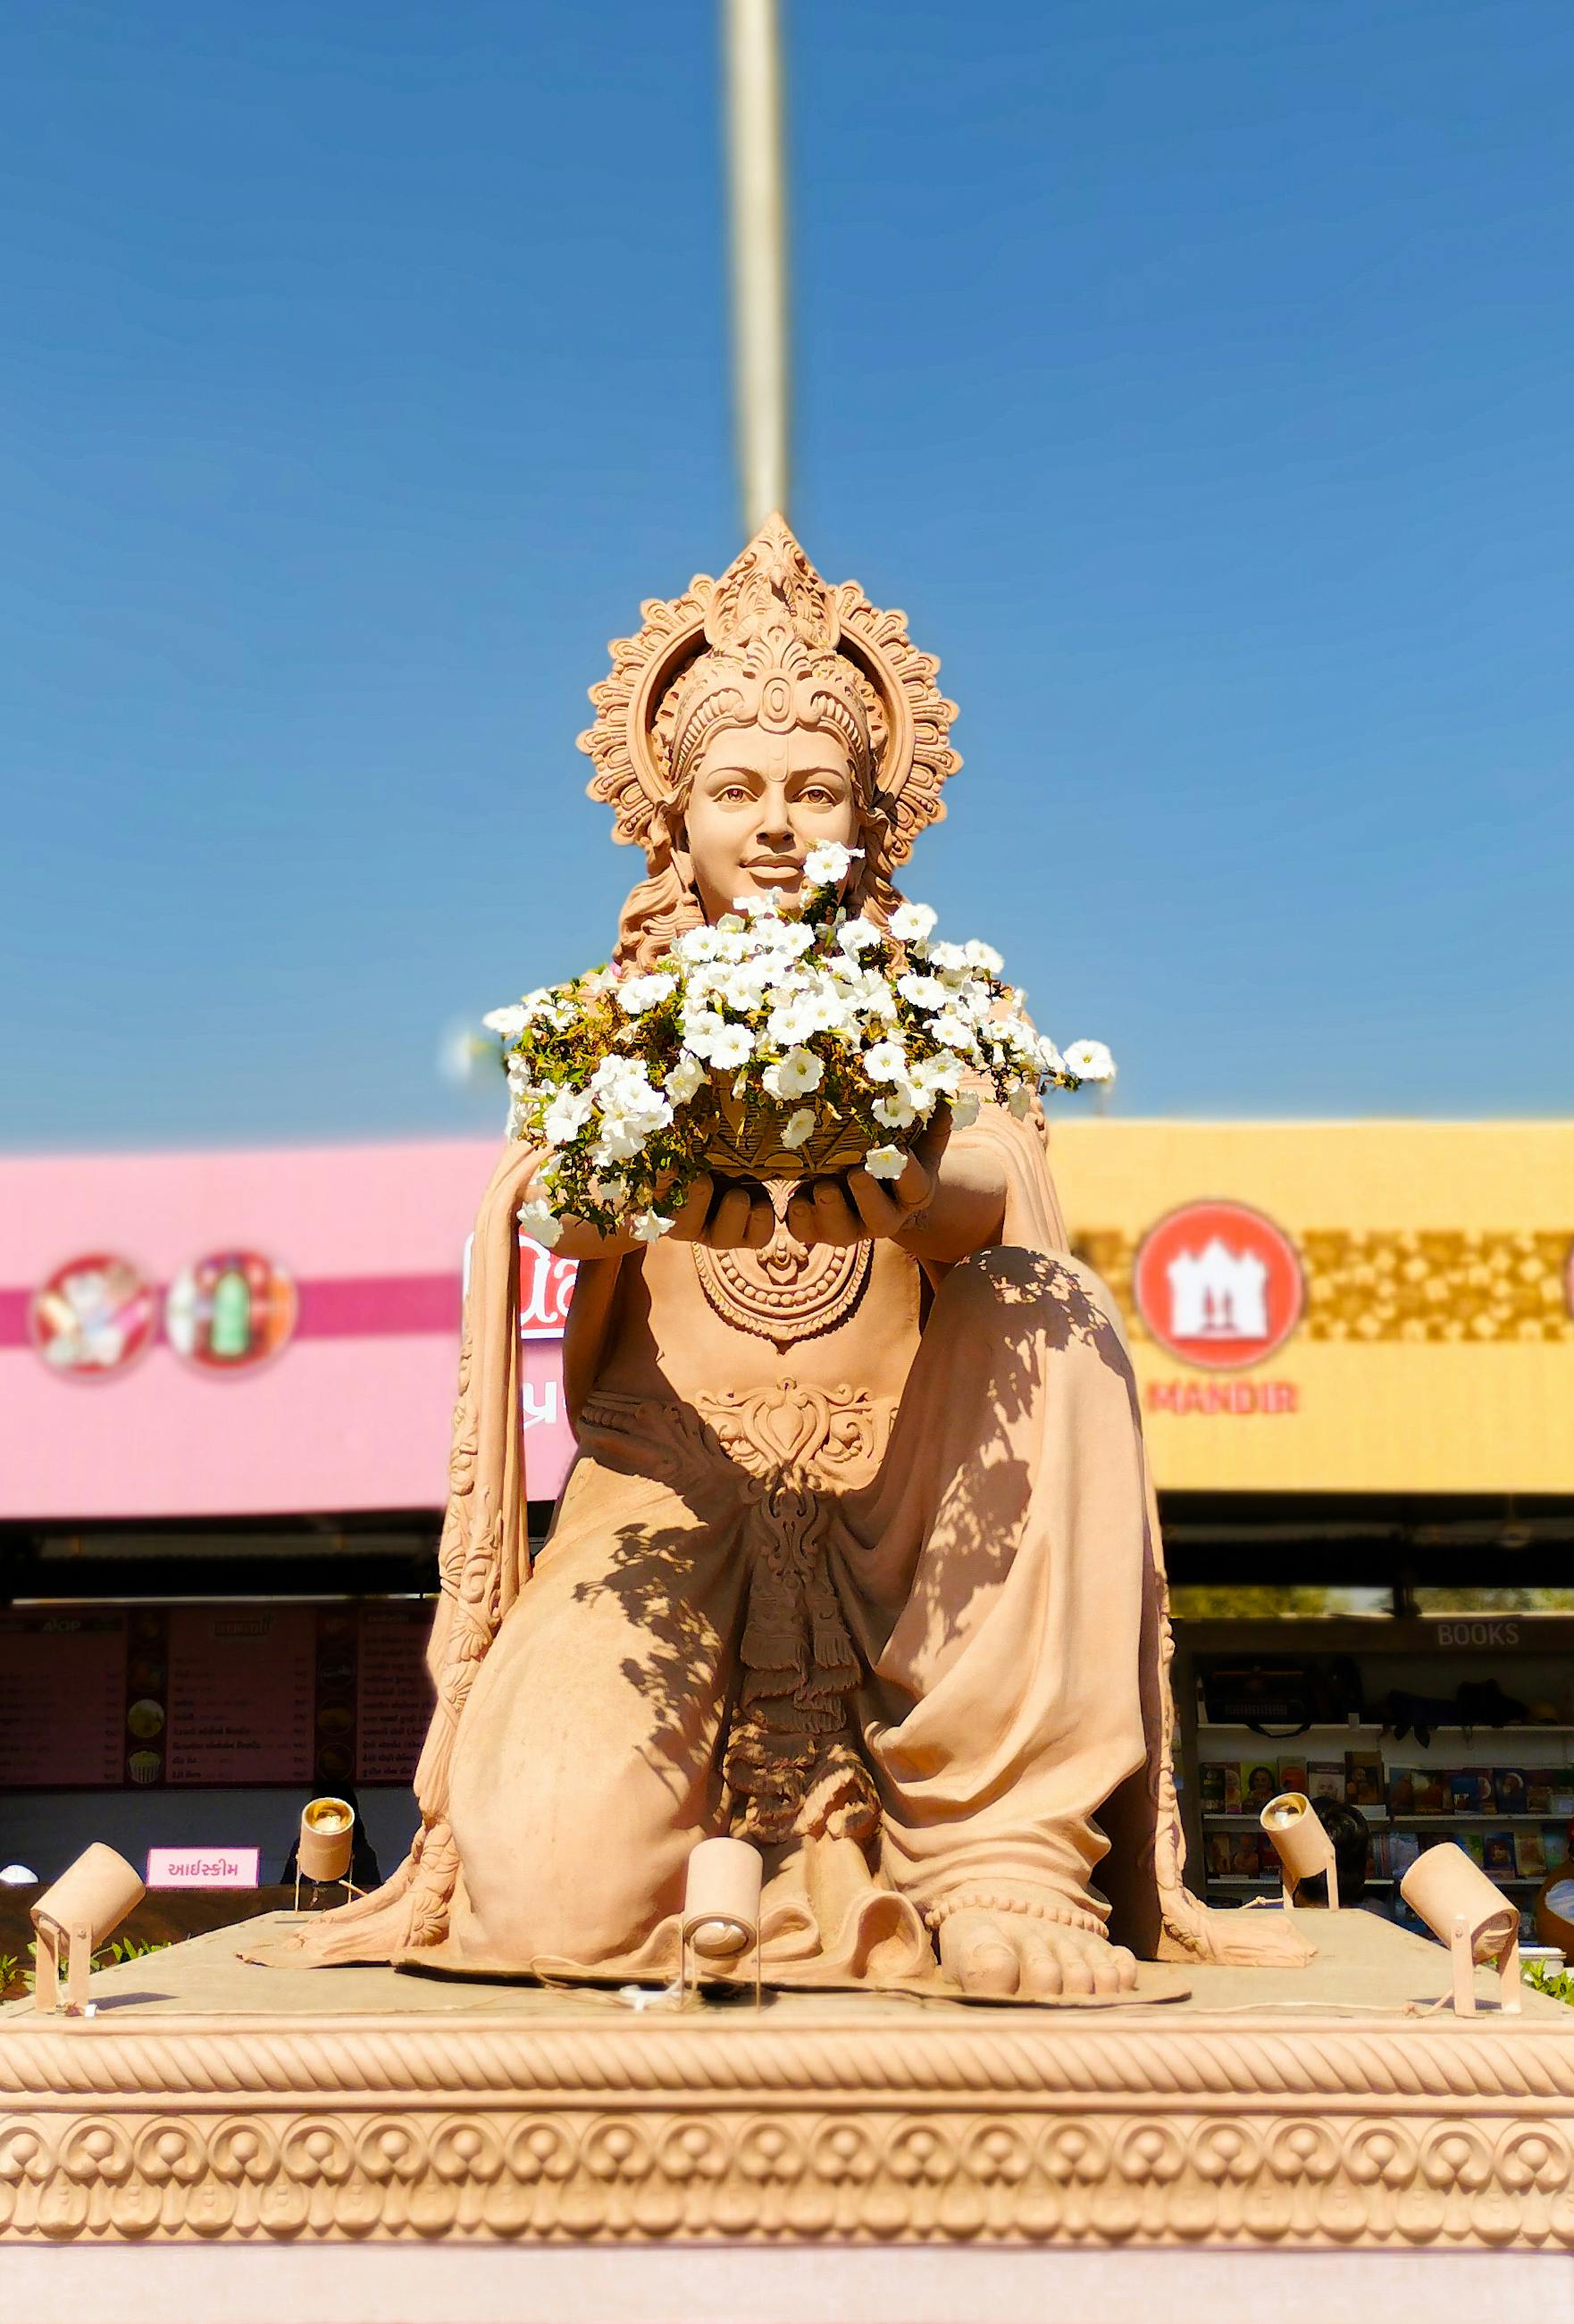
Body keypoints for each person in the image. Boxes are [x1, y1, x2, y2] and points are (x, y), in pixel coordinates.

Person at [249, 520, 1307, 1998]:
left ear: (871, 816)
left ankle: (1000, 1853)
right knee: (547, 1888)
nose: (776, 823)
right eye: (734, 789)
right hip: (664, 1502)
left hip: (914, 1517)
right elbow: (551, 1217)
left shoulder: (943, 1010)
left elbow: (996, 1187)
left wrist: (895, 1174)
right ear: (669, 817)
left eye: (817, 790)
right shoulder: (605, 1028)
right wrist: (641, 1174)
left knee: (1046, 1304)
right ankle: (775, 1876)